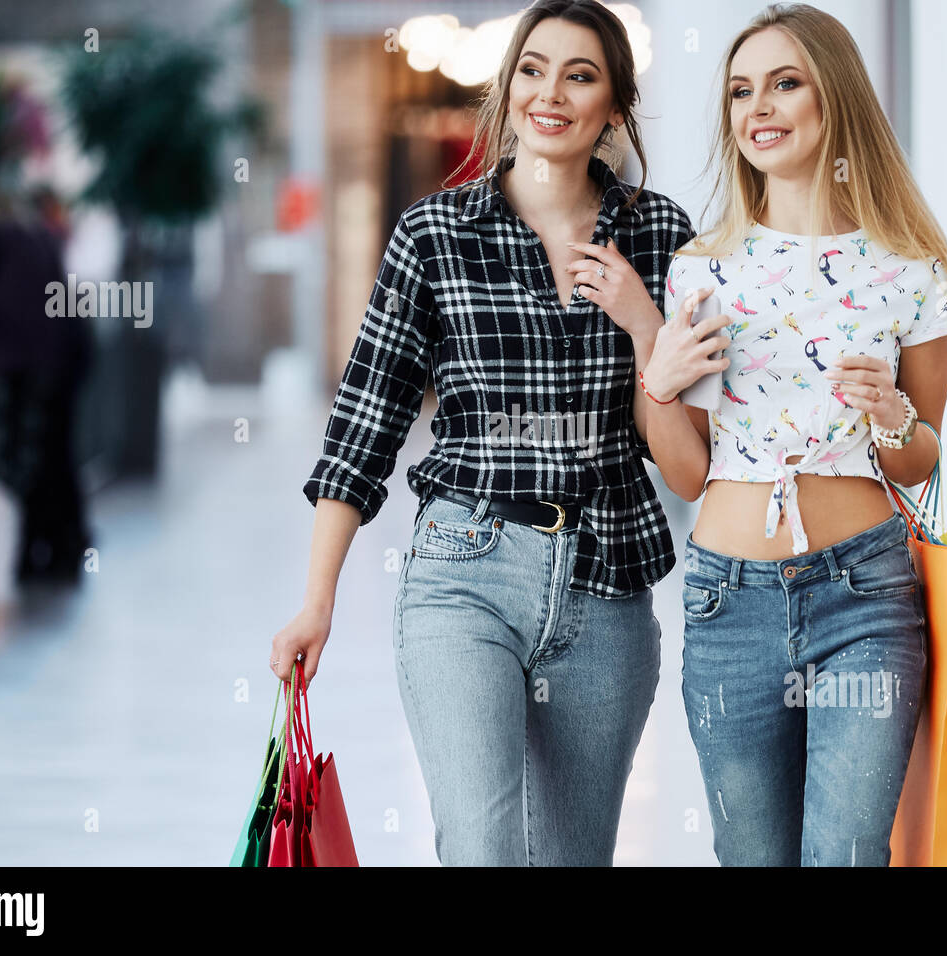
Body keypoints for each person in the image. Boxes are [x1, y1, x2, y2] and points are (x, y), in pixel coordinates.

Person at [269, 0, 696, 866]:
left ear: (614, 105)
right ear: (507, 89)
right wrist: (318, 600)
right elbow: (365, 422)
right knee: (482, 845)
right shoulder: (436, 234)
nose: (552, 93)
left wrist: (645, 324)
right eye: (534, 70)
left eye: (581, 75)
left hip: (607, 583)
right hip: (466, 568)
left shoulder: (662, 236)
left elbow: (688, 462)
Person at [638, 2, 947, 866]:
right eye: (742, 91)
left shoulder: (911, 268)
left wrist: (894, 414)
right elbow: (687, 473)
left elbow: (923, 454)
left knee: (850, 854)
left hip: (865, 597)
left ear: (837, 97)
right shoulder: (702, 270)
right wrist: (659, 386)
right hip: (725, 600)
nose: (760, 108)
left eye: (786, 83)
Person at [0, 182, 94, 585]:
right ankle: (61, 549)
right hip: (64, 361)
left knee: (25, 461)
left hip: (28, 368)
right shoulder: (39, 235)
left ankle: (33, 553)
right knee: (56, 457)